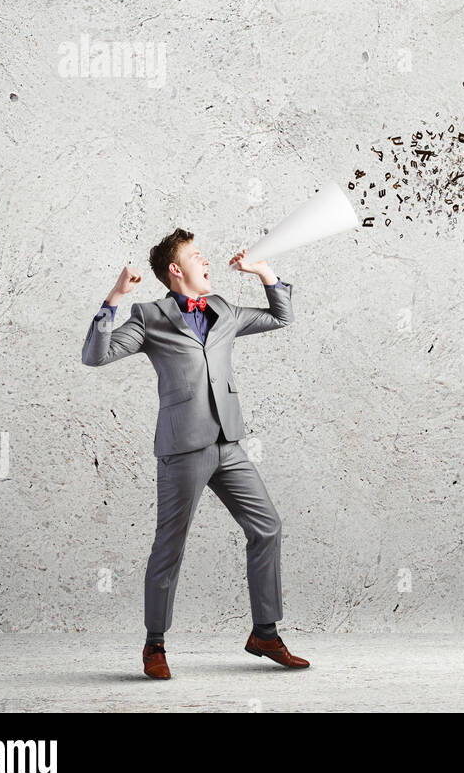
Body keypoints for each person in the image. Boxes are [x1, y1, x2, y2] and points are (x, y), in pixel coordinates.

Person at [81, 228, 309, 679]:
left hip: (229, 442)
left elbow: (281, 317)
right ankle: (155, 645)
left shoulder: (223, 309)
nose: (207, 262)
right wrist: (114, 297)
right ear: (175, 269)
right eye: (198, 256)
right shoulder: (149, 316)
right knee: (170, 545)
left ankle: (264, 632)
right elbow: (95, 355)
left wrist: (263, 271)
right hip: (183, 448)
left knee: (267, 528)